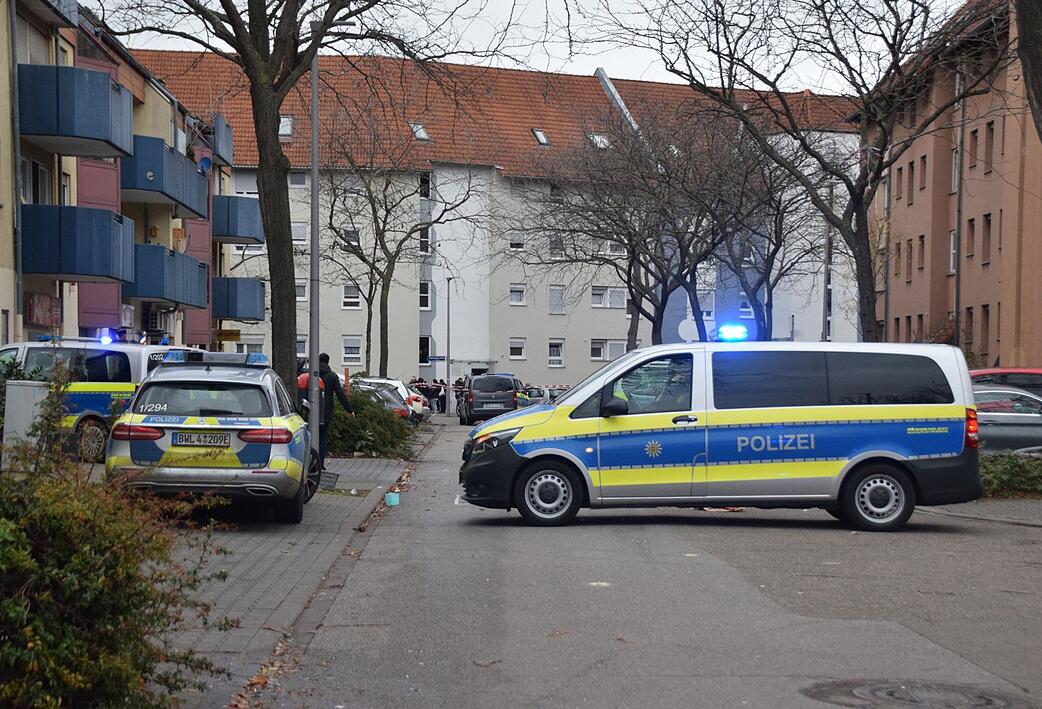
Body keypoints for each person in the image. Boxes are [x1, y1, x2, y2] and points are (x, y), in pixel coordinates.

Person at [300, 353, 354, 471]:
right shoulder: (332, 376)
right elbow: (340, 394)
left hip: (311, 410)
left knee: (309, 436)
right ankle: (320, 464)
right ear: (328, 362)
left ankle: (309, 463)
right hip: (326, 412)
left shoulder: (311, 375)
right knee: (323, 439)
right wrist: (349, 409)